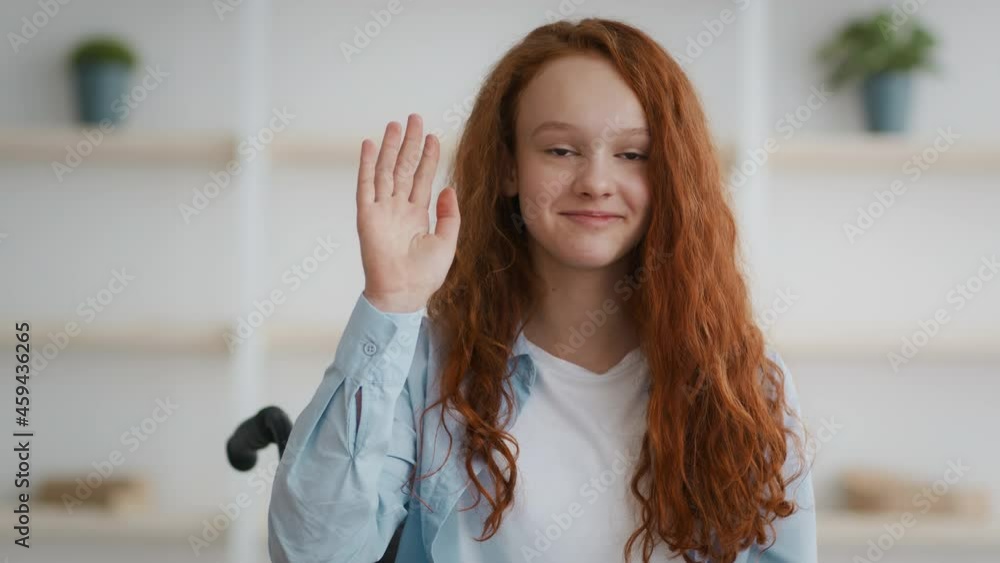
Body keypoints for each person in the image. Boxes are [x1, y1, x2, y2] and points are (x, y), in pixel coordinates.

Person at [268, 17, 817, 563]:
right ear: (509, 168)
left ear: (670, 172)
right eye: (560, 151)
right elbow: (313, 554)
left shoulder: (746, 381)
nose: (596, 181)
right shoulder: (426, 368)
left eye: (632, 154)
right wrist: (390, 302)